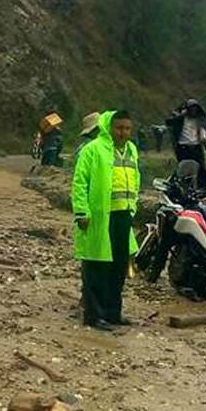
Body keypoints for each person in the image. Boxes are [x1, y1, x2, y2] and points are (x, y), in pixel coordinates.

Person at [72, 110, 140, 332]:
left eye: (127, 129)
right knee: (96, 266)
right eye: (119, 128)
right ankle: (94, 315)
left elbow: (135, 180)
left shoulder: (131, 150)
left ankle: (113, 312)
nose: (123, 133)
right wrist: (81, 212)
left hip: (123, 215)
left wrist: (133, 207)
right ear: (109, 128)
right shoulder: (93, 150)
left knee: (119, 266)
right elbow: (80, 182)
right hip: (99, 216)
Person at [167, 99, 206, 191]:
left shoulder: (200, 119)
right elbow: (169, 122)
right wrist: (181, 115)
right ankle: (182, 187)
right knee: (183, 168)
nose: (193, 111)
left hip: (196, 147)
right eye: (191, 109)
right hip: (183, 147)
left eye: (195, 109)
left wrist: (205, 138)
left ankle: (203, 189)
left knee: (201, 169)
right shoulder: (181, 119)